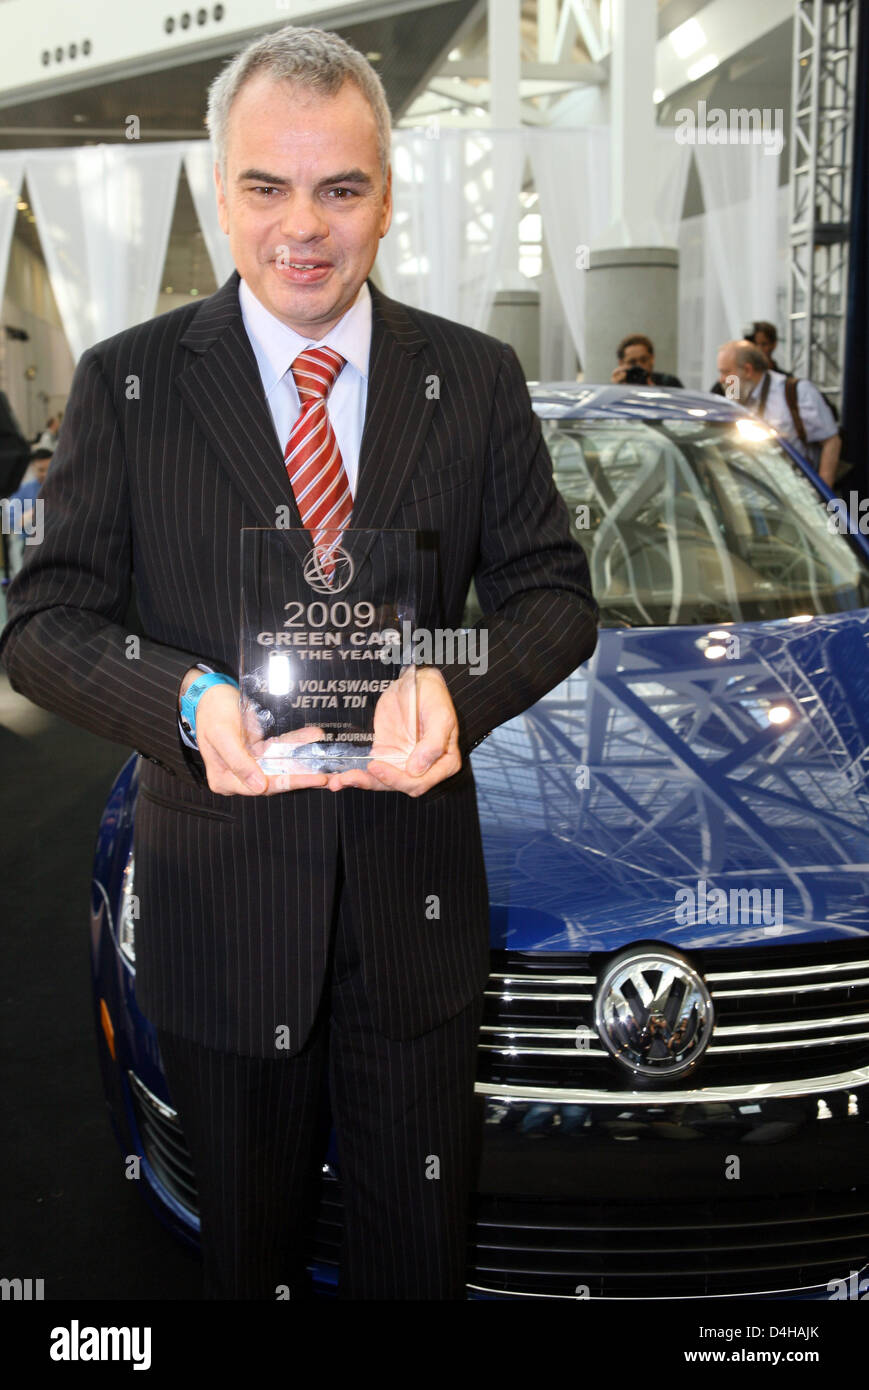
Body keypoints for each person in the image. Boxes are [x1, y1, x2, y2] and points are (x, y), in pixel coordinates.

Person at [0, 25, 597, 1301]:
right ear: (220, 191)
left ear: (386, 195)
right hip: (228, 904)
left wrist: (457, 680)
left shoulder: (476, 380)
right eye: (265, 186)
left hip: (411, 903)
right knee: (249, 1257)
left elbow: (552, 596)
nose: (301, 228)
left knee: (413, 1258)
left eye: (339, 188)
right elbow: (44, 624)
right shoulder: (127, 386)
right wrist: (186, 695)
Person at [716, 338, 841, 486]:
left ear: (748, 370)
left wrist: (823, 495)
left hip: (796, 492)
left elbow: (831, 441)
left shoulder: (796, 392)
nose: (721, 379)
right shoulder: (735, 393)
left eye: (726, 372)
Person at [611, 333, 683, 388]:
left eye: (644, 360)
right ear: (621, 363)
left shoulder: (669, 383)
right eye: (632, 362)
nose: (639, 366)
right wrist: (617, 388)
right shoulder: (620, 385)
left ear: (652, 359)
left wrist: (652, 389)